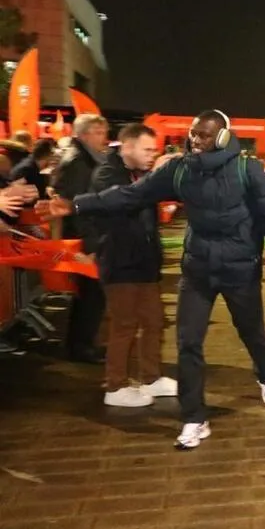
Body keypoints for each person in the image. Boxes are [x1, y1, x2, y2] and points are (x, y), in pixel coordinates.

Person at [39, 110, 265, 450]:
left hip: (239, 270)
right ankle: (194, 419)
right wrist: (75, 206)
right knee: (188, 342)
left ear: (222, 137)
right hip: (198, 269)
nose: (195, 140)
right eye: (194, 134)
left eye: (204, 135)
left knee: (252, 332)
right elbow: (129, 195)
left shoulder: (246, 169)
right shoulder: (180, 170)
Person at [89, 124, 177, 408]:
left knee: (154, 322)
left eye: (155, 150)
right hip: (120, 262)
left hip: (145, 263)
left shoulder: (140, 173)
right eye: (147, 149)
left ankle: (151, 378)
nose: (153, 154)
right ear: (127, 147)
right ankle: (115, 386)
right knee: (124, 325)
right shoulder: (106, 173)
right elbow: (124, 200)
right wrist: (155, 176)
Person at [53, 113, 111, 364]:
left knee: (90, 295)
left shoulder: (85, 158)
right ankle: (81, 347)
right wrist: (89, 245)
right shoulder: (79, 162)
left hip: (86, 236)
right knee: (91, 294)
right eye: (98, 132)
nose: (104, 138)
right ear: (84, 134)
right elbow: (74, 207)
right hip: (82, 239)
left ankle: (83, 344)